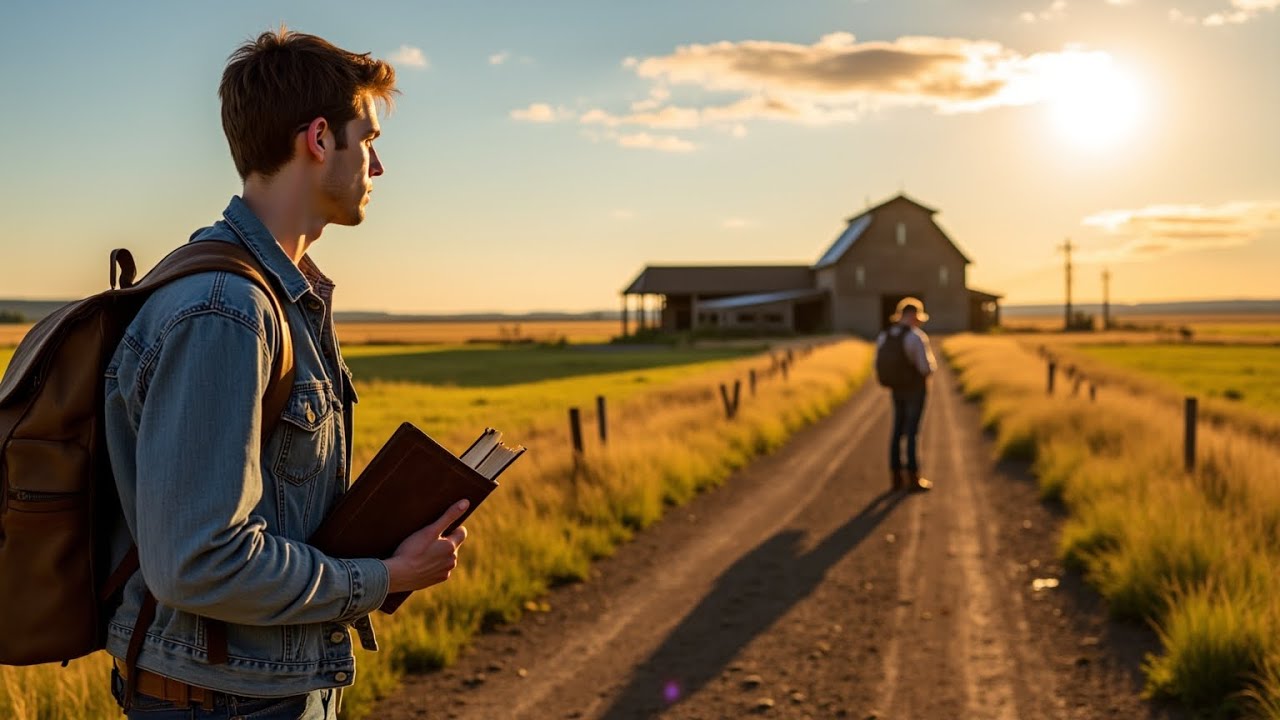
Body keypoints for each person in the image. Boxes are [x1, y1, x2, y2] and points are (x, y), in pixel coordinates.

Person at [103, 28, 468, 719]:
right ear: (321, 139)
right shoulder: (227, 312)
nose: (379, 167)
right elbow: (200, 561)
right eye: (370, 139)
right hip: (225, 701)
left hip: (258, 686)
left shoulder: (280, 299)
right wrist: (385, 576)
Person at [876, 297, 938, 492]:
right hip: (915, 390)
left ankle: (896, 478)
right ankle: (913, 476)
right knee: (912, 432)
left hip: (896, 389)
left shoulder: (884, 335)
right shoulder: (916, 337)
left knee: (896, 431)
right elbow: (926, 368)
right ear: (912, 316)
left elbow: (877, 363)